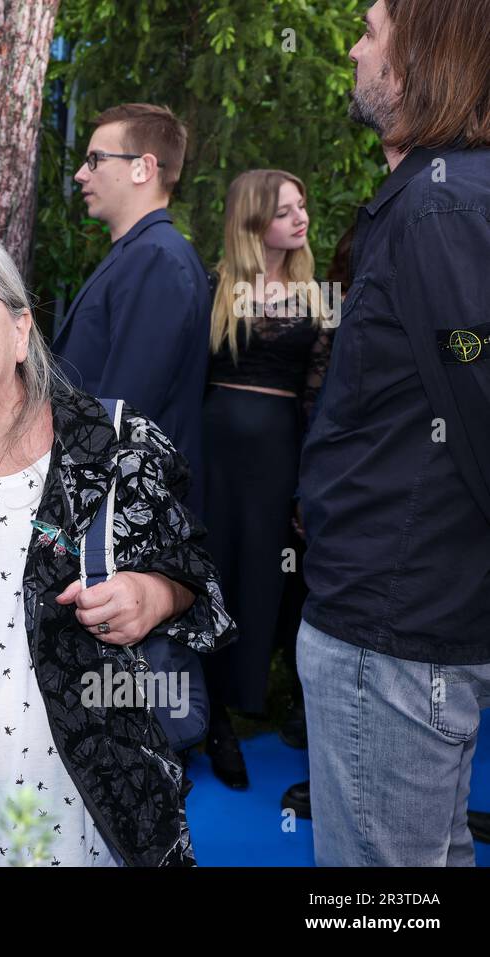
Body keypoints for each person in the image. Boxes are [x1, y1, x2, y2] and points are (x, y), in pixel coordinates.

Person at [0, 224, 236, 867]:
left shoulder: (110, 447)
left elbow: (194, 575)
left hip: (92, 816)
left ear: (20, 332)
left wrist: (153, 595)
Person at [297, 0, 490, 866]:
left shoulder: (441, 214)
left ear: (421, 60)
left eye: (370, 32)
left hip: (394, 634)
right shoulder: (433, 202)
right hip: (406, 623)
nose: (352, 49)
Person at [200, 170, 334, 790]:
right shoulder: (214, 288)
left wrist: (313, 479)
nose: (300, 218)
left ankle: (249, 690)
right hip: (214, 446)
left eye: (302, 207)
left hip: (279, 452)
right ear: (254, 222)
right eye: (286, 210)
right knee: (213, 569)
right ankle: (209, 711)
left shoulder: (318, 296)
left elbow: (321, 397)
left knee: (266, 573)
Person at [50, 103, 211, 516]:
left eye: (95, 160)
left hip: (123, 504)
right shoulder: (141, 252)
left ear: (143, 168)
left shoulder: (156, 257)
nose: (81, 174)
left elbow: (128, 405)